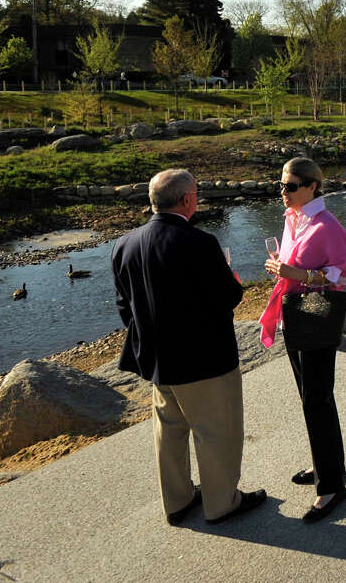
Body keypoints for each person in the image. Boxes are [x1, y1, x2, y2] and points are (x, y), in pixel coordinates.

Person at [111, 169, 265, 526]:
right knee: (216, 432)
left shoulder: (124, 244)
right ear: (186, 200)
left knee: (169, 432)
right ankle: (221, 503)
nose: (197, 197)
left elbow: (124, 306)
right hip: (203, 360)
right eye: (196, 192)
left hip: (156, 361)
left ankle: (178, 501)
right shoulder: (200, 243)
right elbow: (229, 296)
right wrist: (231, 277)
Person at [261, 157, 346, 523]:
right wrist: (282, 264)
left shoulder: (326, 224)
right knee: (312, 397)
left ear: (311, 187)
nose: (282, 191)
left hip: (316, 317)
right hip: (296, 315)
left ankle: (332, 485)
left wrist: (296, 273)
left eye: (290, 186)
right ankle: (327, 467)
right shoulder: (295, 219)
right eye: (281, 184)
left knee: (316, 399)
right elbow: (297, 265)